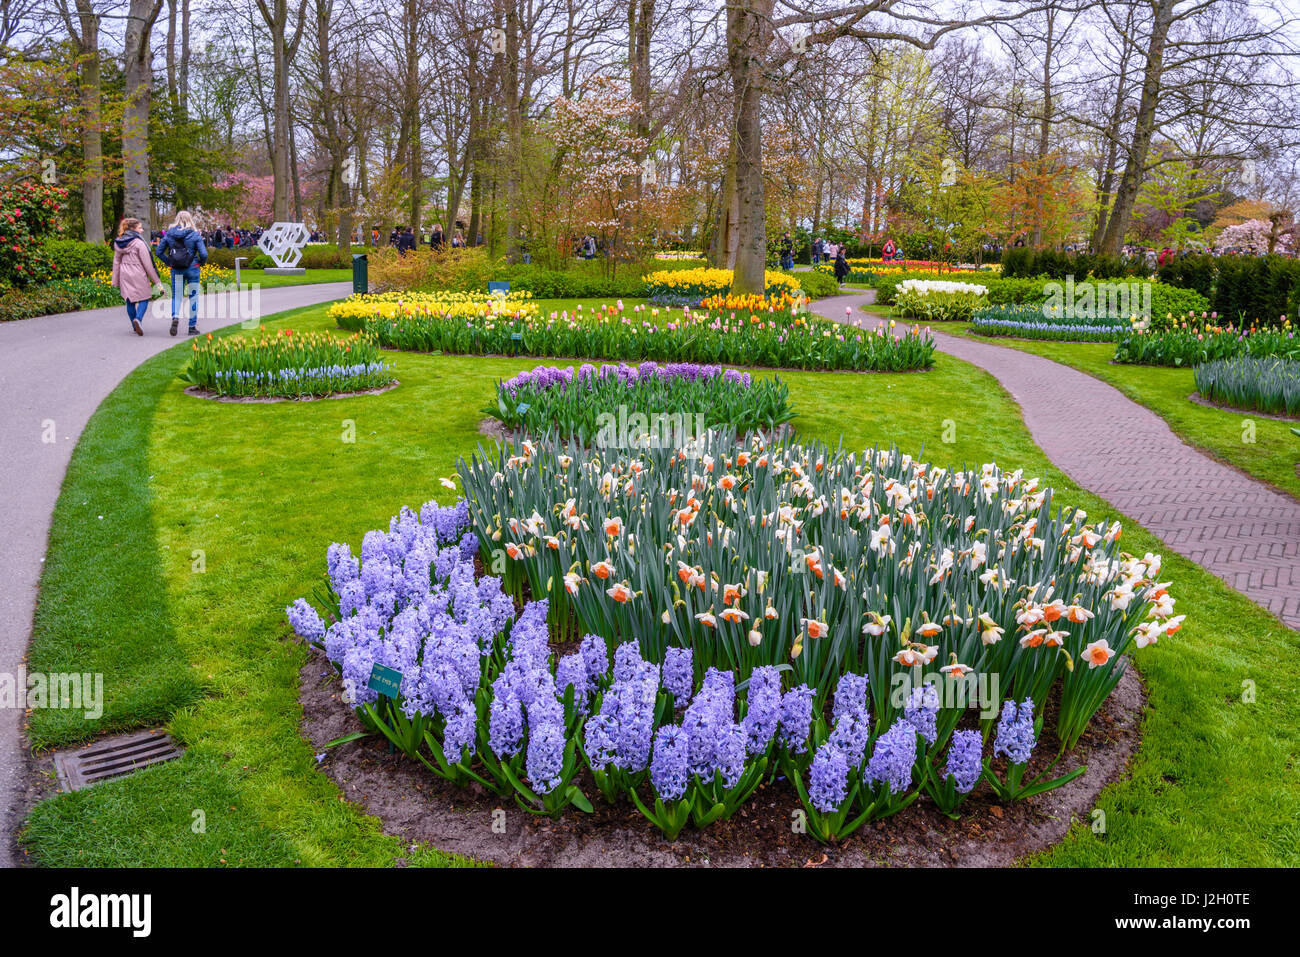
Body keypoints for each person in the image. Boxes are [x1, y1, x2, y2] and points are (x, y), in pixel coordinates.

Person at [156, 209, 208, 337]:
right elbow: (204, 254)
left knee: (177, 296)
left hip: (176, 268)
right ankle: (192, 327)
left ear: (177, 220)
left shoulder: (169, 234)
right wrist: (201, 262)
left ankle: (175, 317)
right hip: (193, 267)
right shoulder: (195, 235)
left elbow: (158, 252)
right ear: (190, 220)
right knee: (193, 297)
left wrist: (169, 262)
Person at [110, 217, 161, 337]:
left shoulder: (118, 242)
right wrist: (157, 282)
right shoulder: (139, 243)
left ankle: (135, 326)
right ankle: (138, 319)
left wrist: (115, 280)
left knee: (129, 299)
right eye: (140, 228)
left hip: (124, 273)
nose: (142, 230)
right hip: (138, 272)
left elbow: (116, 262)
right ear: (132, 229)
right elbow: (147, 264)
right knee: (145, 297)